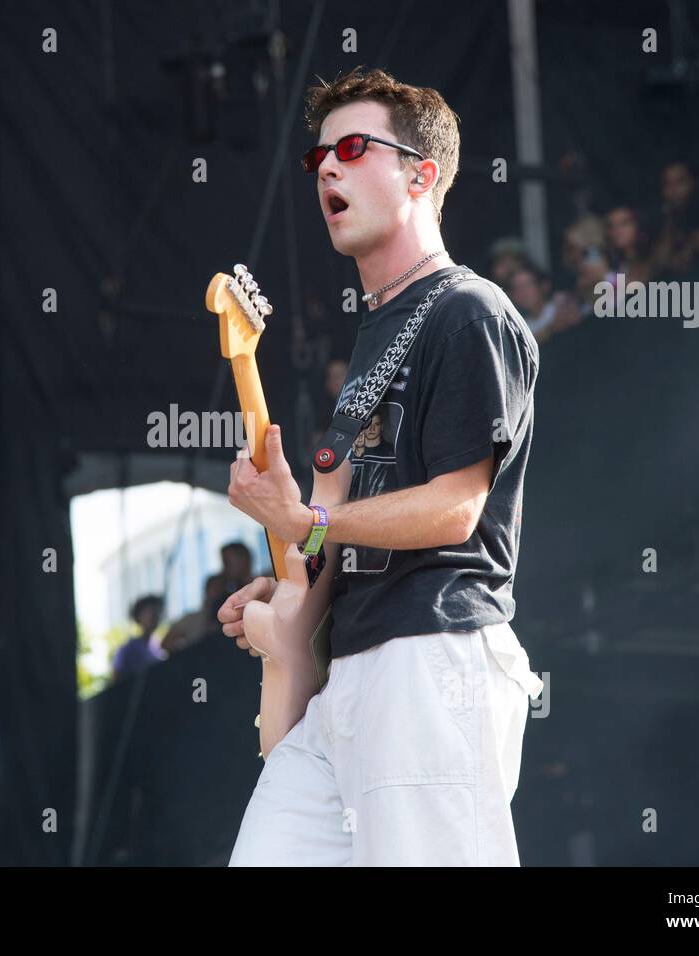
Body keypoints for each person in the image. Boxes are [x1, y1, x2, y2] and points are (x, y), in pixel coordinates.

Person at [219, 67, 543, 866]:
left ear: (421, 174)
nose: (326, 167)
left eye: (354, 148)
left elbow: (456, 508)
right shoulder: (371, 342)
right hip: (351, 679)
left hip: (431, 655)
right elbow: (329, 531)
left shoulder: (469, 311)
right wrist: (290, 572)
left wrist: (312, 520)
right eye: (318, 157)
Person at [111, 594, 165, 681]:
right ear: (138, 616)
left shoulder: (161, 646)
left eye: (157, 611)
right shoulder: (128, 649)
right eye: (149, 611)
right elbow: (116, 679)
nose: (154, 615)